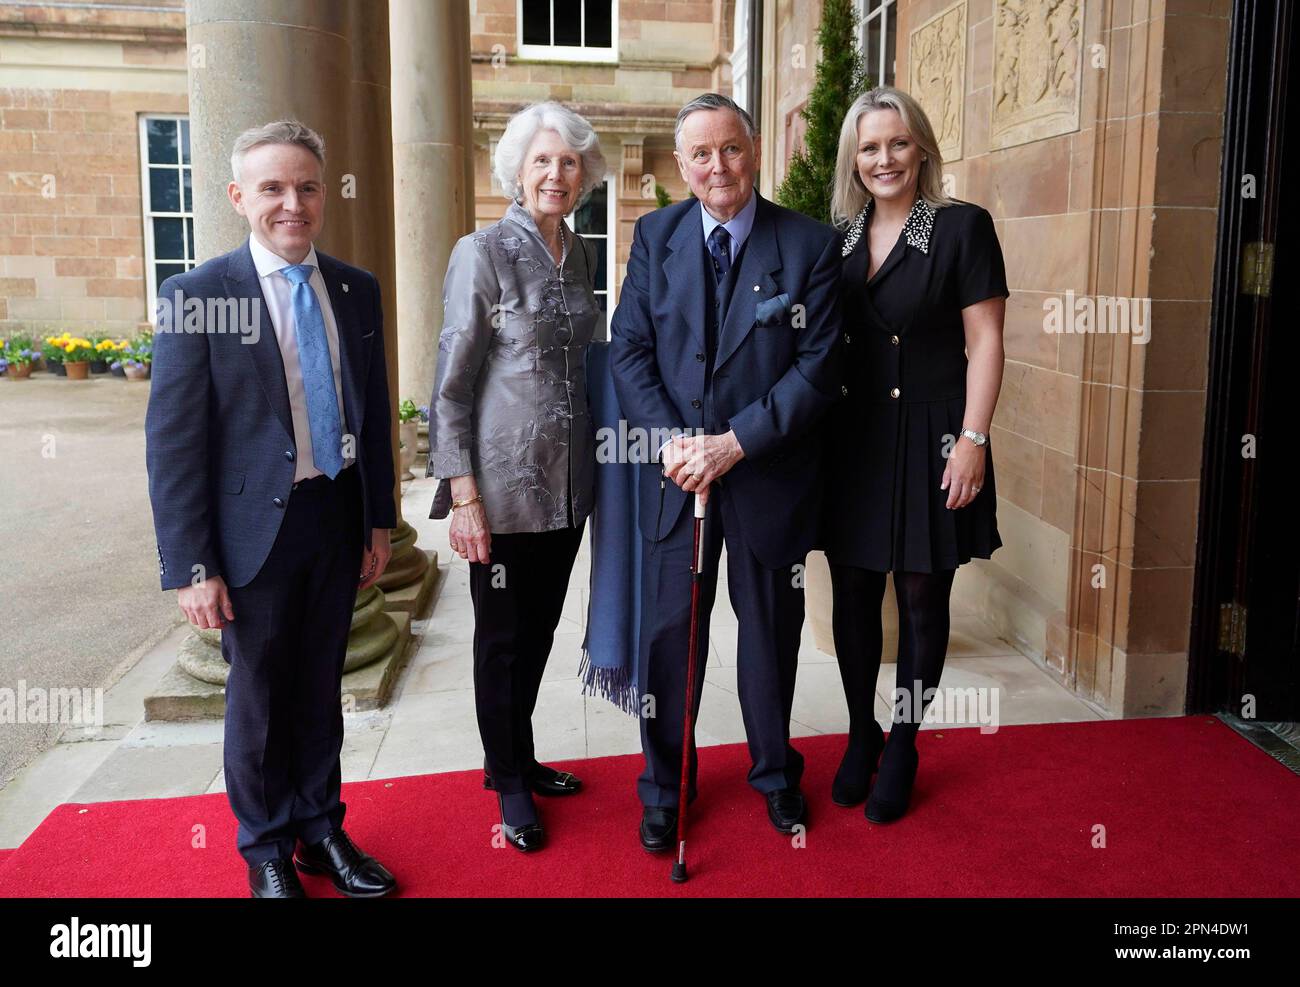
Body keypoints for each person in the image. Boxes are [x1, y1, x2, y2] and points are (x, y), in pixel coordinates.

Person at [145, 120, 398, 897]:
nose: (293, 203)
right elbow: (174, 443)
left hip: (333, 518)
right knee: (258, 696)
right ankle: (264, 846)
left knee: (320, 684)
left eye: (307, 186)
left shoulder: (355, 288)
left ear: (324, 192)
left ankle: (322, 828)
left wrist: (378, 519)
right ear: (238, 197)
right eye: (273, 189)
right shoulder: (198, 295)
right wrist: (193, 566)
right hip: (250, 533)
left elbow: (372, 411)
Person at [610, 92, 842, 852]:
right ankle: (663, 787)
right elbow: (631, 352)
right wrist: (680, 444)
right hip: (681, 482)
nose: (719, 166)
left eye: (731, 149)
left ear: (754, 151)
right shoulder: (655, 235)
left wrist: (734, 443)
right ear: (682, 165)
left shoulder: (808, 246)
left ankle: (776, 774)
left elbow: (817, 371)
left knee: (770, 636)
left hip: (767, 476)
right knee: (670, 639)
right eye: (702, 154)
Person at [820, 86, 1008, 823]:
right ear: (853, 159)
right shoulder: (835, 239)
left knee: (924, 599)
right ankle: (861, 732)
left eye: (897, 143)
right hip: (854, 441)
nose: (884, 158)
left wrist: (974, 438)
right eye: (869, 147)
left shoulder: (961, 228)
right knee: (856, 595)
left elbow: (986, 341)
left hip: (937, 433)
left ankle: (904, 739)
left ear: (921, 147)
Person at [426, 101, 605, 853]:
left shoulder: (582, 255)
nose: (555, 174)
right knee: (501, 639)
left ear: (583, 174)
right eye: (542, 161)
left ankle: (522, 755)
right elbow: (451, 384)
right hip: (498, 493)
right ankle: (506, 783)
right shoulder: (483, 250)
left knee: (538, 631)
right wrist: (462, 495)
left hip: (567, 490)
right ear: (517, 170)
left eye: (568, 162)